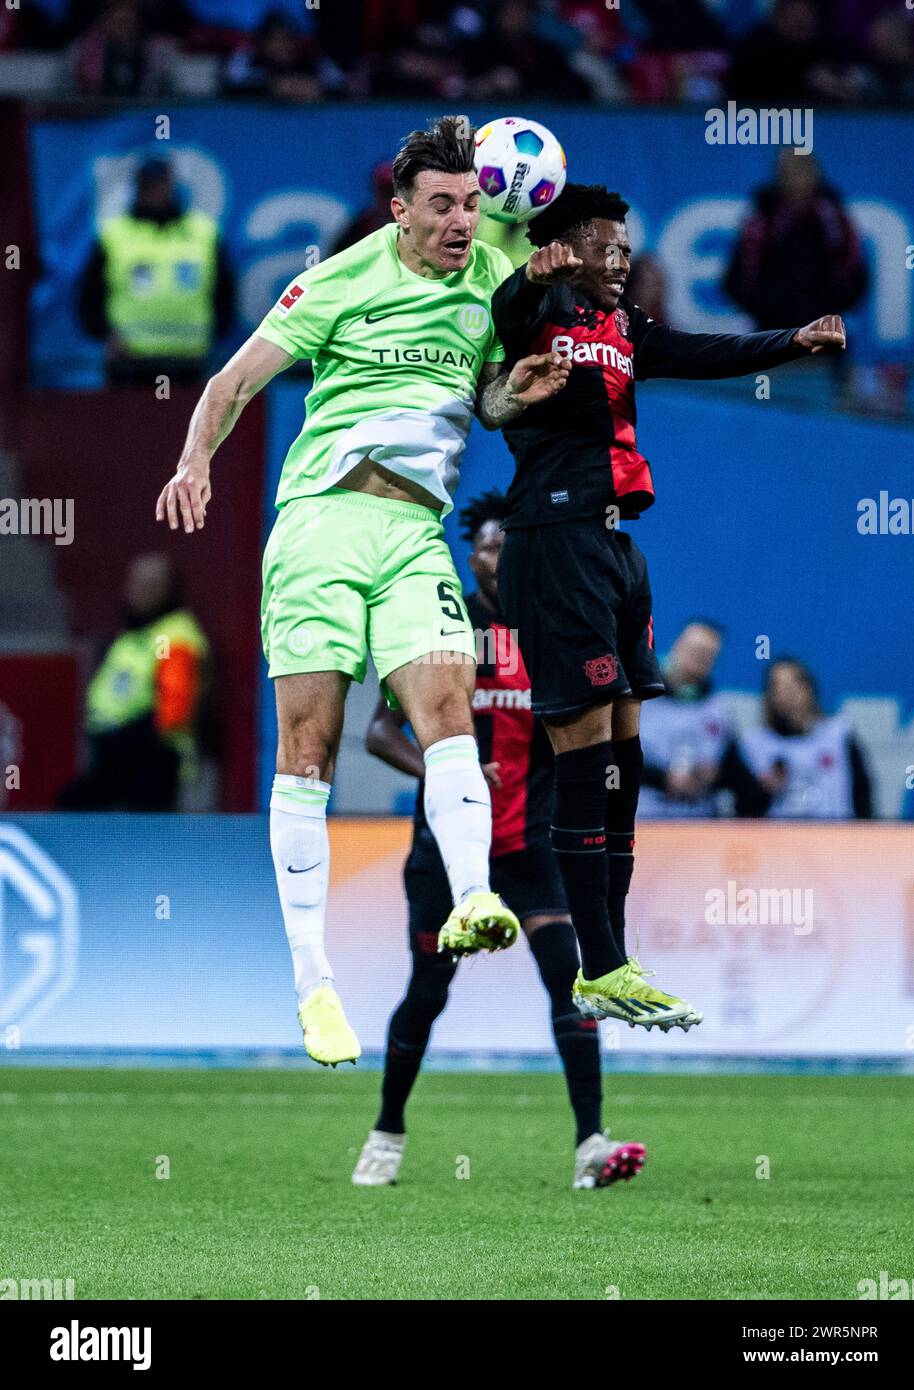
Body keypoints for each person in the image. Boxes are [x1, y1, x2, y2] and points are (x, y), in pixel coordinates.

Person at [155, 116, 570, 1068]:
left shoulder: (495, 284)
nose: (463, 220)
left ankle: (474, 898)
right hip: (321, 527)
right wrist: (195, 464)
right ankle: (314, 984)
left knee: (448, 709)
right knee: (310, 749)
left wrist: (521, 390)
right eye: (442, 206)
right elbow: (231, 380)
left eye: (473, 203)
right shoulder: (339, 279)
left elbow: (490, 400)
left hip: (415, 530)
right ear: (400, 209)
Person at [490, 181, 847, 1028]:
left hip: (617, 548)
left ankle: (612, 955)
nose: (624, 262)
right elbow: (504, 318)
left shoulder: (624, 330)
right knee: (582, 755)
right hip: (557, 538)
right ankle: (598, 963)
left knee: (622, 754)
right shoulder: (538, 315)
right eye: (607, 248)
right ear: (567, 248)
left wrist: (790, 342)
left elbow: (702, 351)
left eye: (625, 248)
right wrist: (532, 277)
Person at [354, 490, 647, 1190]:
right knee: (428, 992)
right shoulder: (436, 627)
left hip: (530, 845)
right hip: (447, 853)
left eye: (510, 547)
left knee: (569, 981)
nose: (499, 558)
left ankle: (591, 1146)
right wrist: (447, 770)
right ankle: (387, 1133)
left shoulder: (553, 626)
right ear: (471, 554)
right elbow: (377, 733)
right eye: (488, 547)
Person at [58, 553, 209, 811]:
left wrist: (131, 738)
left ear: (167, 591)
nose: (136, 591)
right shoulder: (137, 632)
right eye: (134, 583)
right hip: (112, 761)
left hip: (153, 765)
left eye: (148, 585)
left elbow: (174, 711)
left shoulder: (175, 638)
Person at [77, 156, 235, 387]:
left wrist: (213, 332)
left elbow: (225, 291)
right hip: (129, 363)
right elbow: (89, 296)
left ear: (173, 185)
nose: (157, 192)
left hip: (189, 363)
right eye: (150, 185)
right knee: (130, 423)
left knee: (191, 422)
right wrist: (105, 334)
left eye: (162, 184)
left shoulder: (203, 232)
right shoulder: (115, 234)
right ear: (138, 188)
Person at [638, 620, 781, 818]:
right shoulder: (637, 699)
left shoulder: (718, 711)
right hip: (643, 824)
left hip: (700, 829)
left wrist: (721, 777)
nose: (699, 659)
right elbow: (611, 762)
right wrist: (662, 779)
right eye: (695, 650)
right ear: (677, 645)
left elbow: (737, 776)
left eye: (708, 655)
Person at [723, 151, 868, 333]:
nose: (798, 180)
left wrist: (827, 309)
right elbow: (736, 279)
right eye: (790, 171)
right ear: (779, 176)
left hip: (824, 337)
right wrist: (767, 309)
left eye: (804, 170)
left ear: (816, 174)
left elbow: (855, 275)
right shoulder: (762, 221)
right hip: (770, 337)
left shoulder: (835, 221)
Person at [741, 659, 873, 820]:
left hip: (834, 839)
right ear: (769, 696)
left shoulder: (838, 735)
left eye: (795, 685)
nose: (788, 694)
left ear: (809, 689)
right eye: (779, 688)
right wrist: (764, 791)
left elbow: (862, 792)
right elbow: (743, 808)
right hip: (778, 841)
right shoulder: (755, 744)